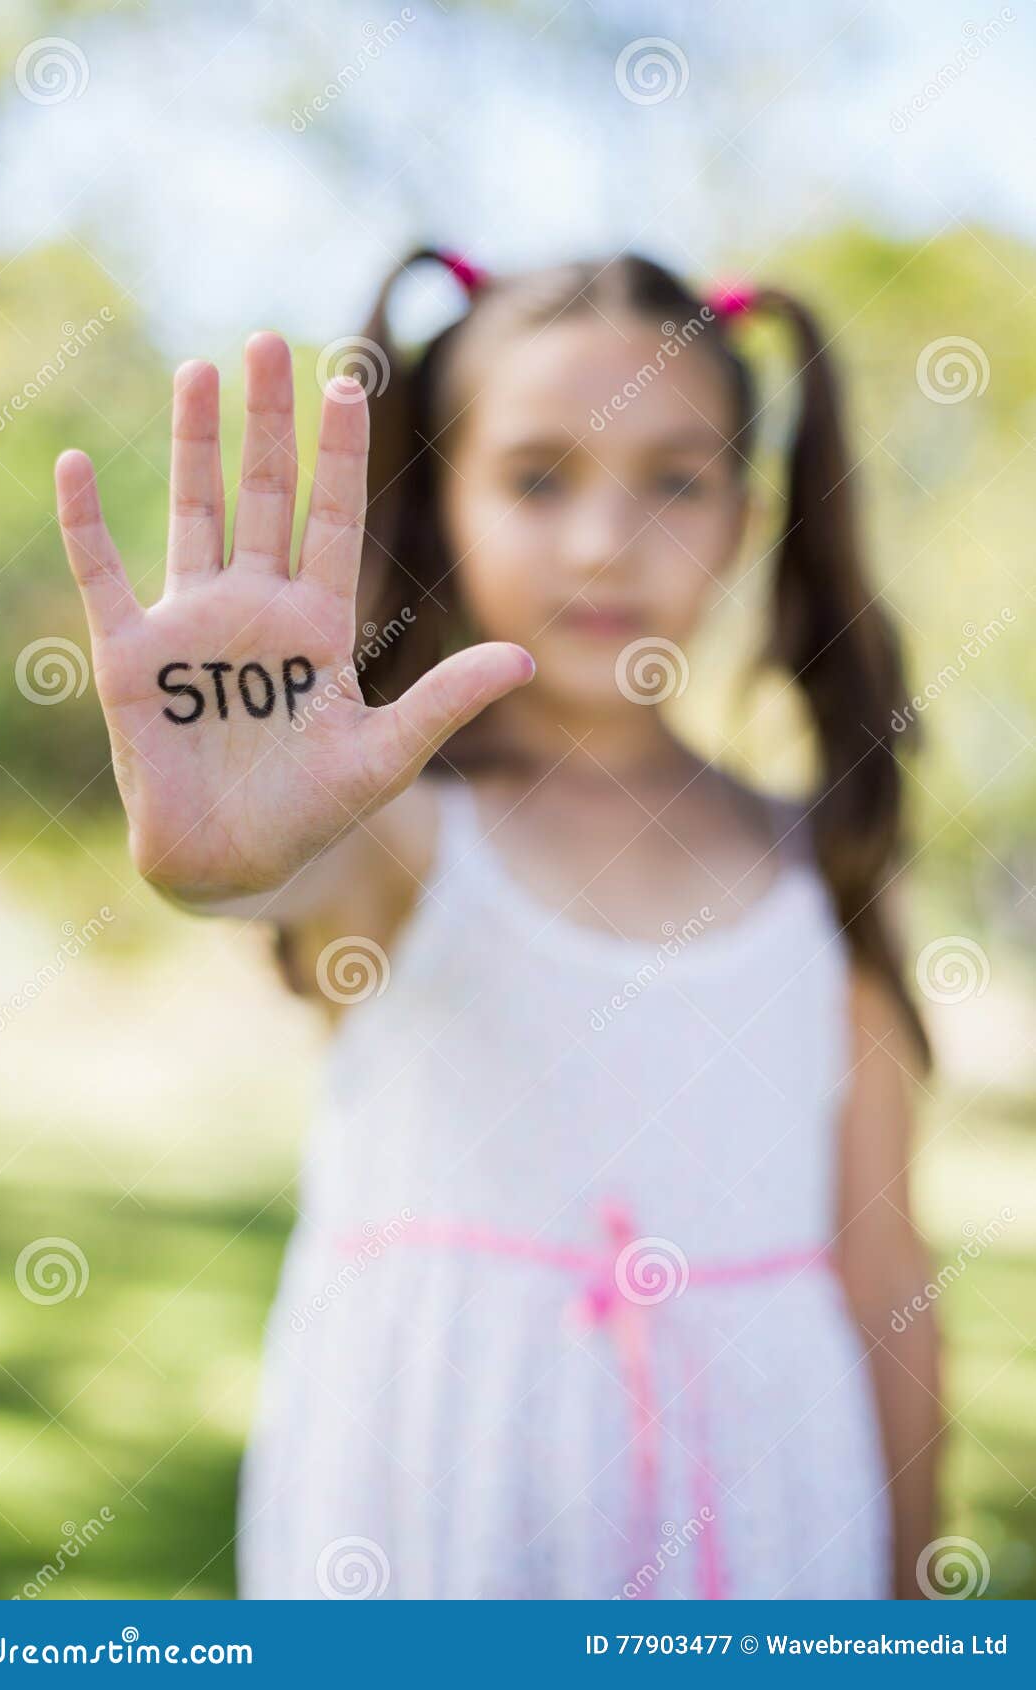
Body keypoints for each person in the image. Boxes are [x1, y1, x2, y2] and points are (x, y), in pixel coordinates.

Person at [55, 248, 940, 1600]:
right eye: (538, 477)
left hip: (772, 1527)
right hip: (433, 1517)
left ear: (749, 515)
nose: (603, 540)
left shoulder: (822, 861)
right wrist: (224, 853)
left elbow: (884, 1272)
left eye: (675, 478)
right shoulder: (405, 837)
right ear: (445, 502)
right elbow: (284, 878)